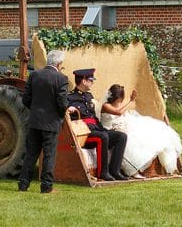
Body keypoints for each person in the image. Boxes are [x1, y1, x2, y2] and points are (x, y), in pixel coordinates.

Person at [100, 84, 182, 176]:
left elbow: (122, 114)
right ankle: (132, 170)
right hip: (109, 129)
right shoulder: (106, 106)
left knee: (149, 131)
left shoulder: (119, 104)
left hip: (120, 127)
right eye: (119, 99)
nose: (120, 101)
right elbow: (118, 112)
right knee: (130, 140)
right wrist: (131, 101)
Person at [17, 50, 69, 193]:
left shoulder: (34, 75)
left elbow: (25, 99)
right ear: (58, 64)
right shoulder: (61, 78)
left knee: (31, 154)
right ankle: (46, 187)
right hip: (51, 123)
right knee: (49, 155)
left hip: (34, 121)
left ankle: (23, 184)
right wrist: (59, 115)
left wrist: (34, 110)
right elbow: (62, 103)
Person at [68, 68, 128, 181]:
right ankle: (103, 172)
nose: (93, 82)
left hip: (96, 129)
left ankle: (115, 171)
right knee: (102, 137)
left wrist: (102, 128)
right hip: (84, 134)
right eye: (91, 80)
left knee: (121, 136)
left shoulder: (89, 96)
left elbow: (93, 117)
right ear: (84, 81)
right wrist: (69, 108)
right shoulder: (70, 98)